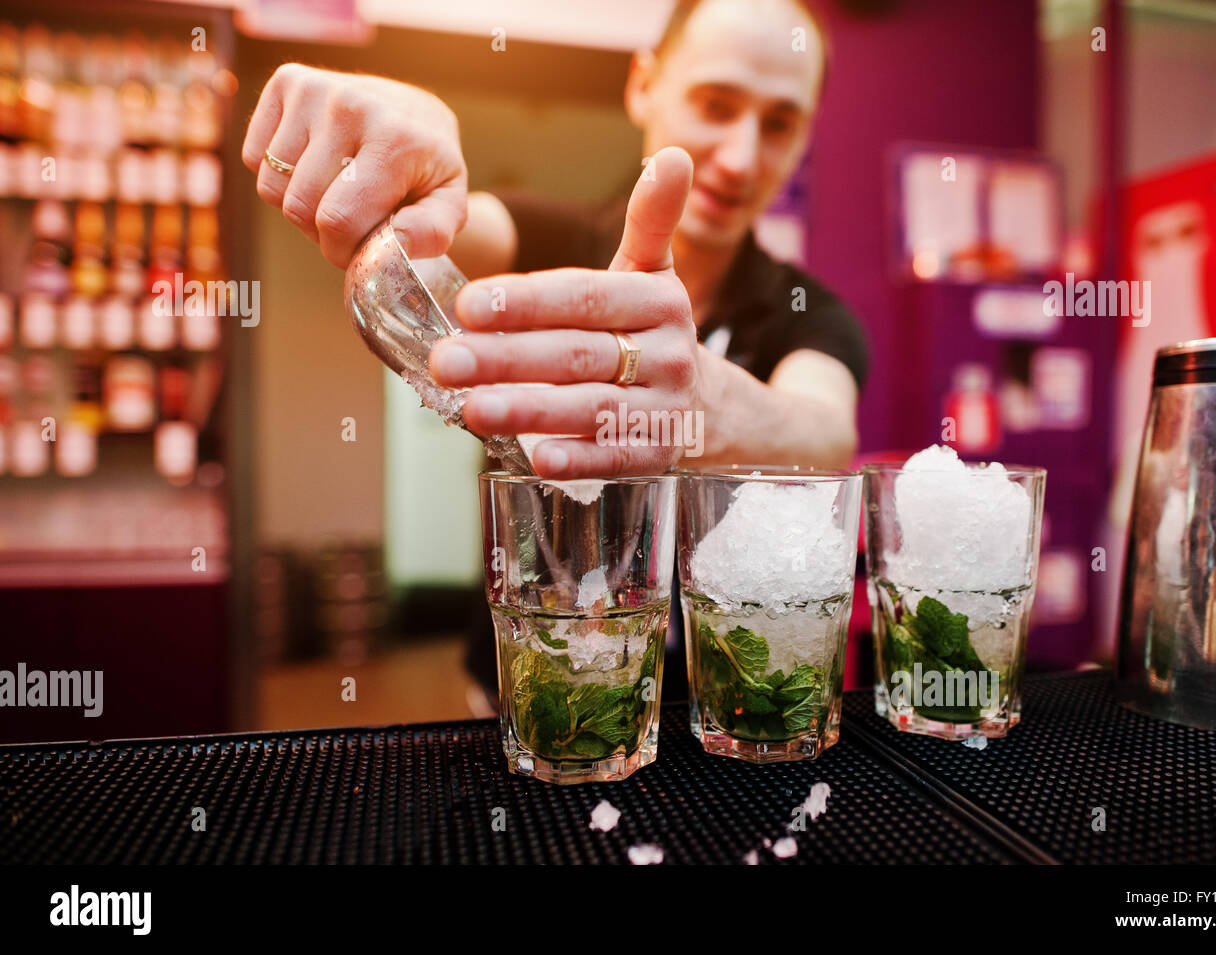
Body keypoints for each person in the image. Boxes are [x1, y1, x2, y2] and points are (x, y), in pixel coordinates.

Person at [242, 0, 868, 701]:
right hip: (519, 693)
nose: (743, 156)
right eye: (716, 103)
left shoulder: (812, 312)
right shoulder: (546, 242)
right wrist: (402, 159)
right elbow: (437, 230)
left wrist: (708, 405)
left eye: (779, 123)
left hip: (709, 710)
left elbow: (823, 429)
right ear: (643, 85)